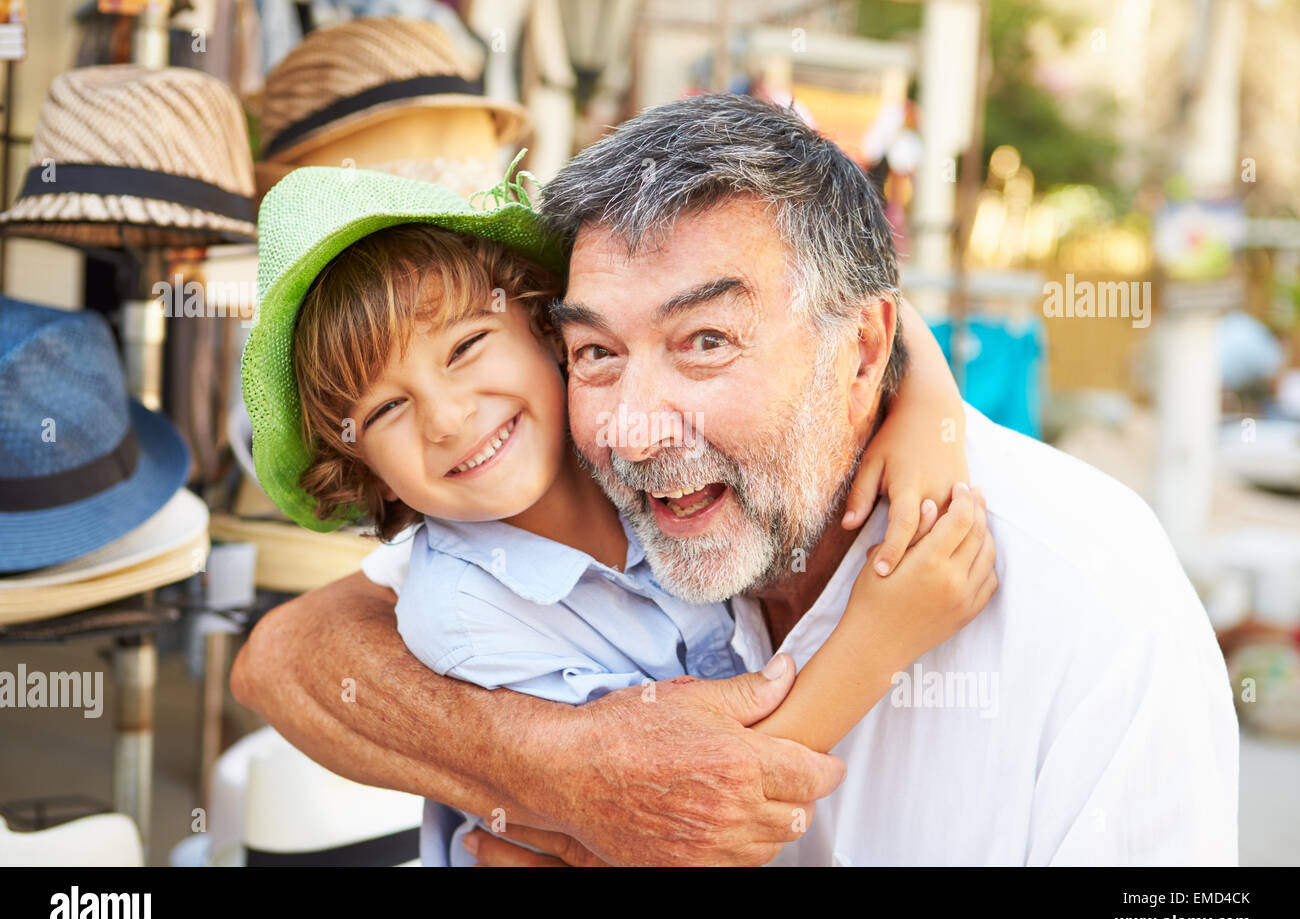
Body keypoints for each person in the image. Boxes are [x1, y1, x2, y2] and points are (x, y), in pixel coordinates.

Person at [235, 94, 1238, 866]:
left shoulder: (1093, 599)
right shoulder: (570, 507)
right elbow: (282, 654)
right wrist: (551, 763)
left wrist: (926, 398)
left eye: (705, 340)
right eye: (598, 354)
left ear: (860, 346)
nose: (637, 425)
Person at [240, 158, 991, 866]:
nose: (445, 418)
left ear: (550, 331)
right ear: (368, 469)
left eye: (466, 347)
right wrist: (885, 635)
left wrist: (928, 402)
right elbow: (698, 796)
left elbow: (842, 304)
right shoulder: (464, 614)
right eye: (388, 409)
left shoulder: (632, 454)